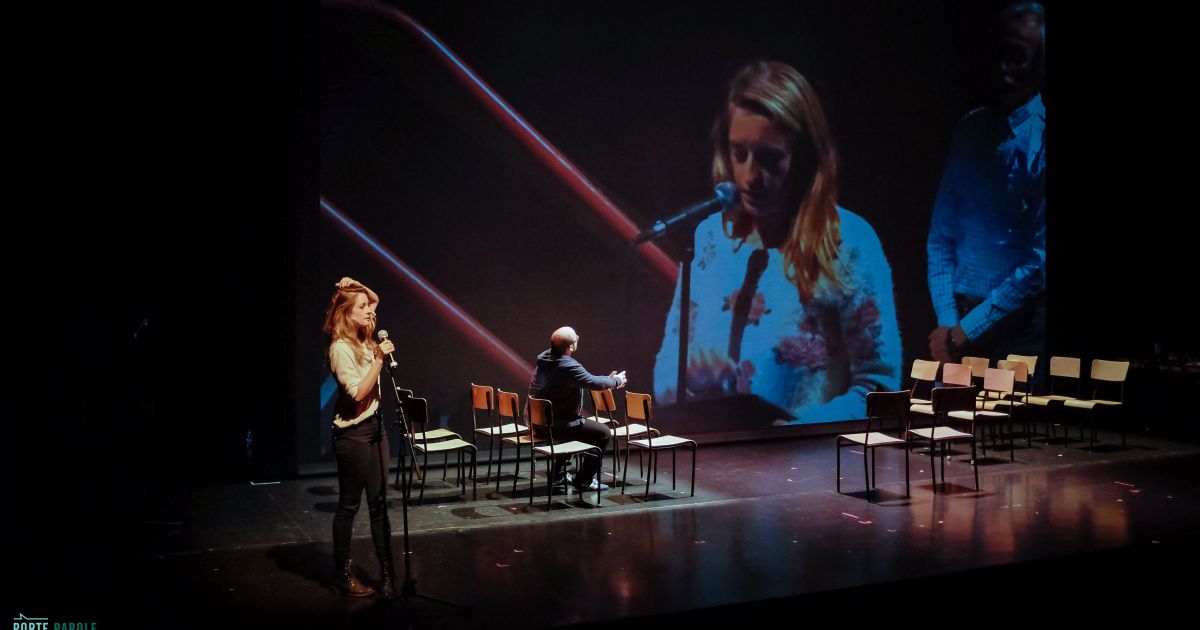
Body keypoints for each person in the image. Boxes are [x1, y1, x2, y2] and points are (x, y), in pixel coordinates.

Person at [653, 60, 902, 424]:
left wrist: (795, 435)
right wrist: (691, 378)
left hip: (811, 469)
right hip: (717, 460)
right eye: (740, 154)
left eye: (770, 158)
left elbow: (880, 389)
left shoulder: (848, 243)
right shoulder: (709, 238)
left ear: (803, 158)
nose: (751, 175)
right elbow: (663, 377)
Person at [927, 2, 1046, 367]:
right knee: (945, 420)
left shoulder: (1040, 140)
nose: (1004, 70)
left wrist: (966, 331)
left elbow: (1039, 262)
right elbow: (941, 236)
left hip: (1015, 331)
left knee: (1007, 422)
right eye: (1000, 55)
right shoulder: (971, 129)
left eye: (1018, 58)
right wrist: (948, 323)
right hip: (958, 321)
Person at [323, 276, 396, 598]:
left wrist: (358, 284)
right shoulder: (341, 348)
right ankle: (342, 572)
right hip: (353, 434)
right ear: (347, 314)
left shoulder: (365, 337)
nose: (370, 311)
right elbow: (355, 395)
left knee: (380, 504)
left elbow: (375, 298)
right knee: (350, 505)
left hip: (376, 429)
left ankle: (387, 573)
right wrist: (379, 360)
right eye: (362, 307)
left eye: (368, 307)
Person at [528, 326, 625, 491]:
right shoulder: (566, 365)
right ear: (571, 346)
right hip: (554, 426)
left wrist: (604, 380)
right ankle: (584, 480)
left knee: (577, 427)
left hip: (537, 424)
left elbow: (590, 380)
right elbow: (593, 383)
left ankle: (557, 475)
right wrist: (616, 380)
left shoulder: (545, 360)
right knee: (603, 433)